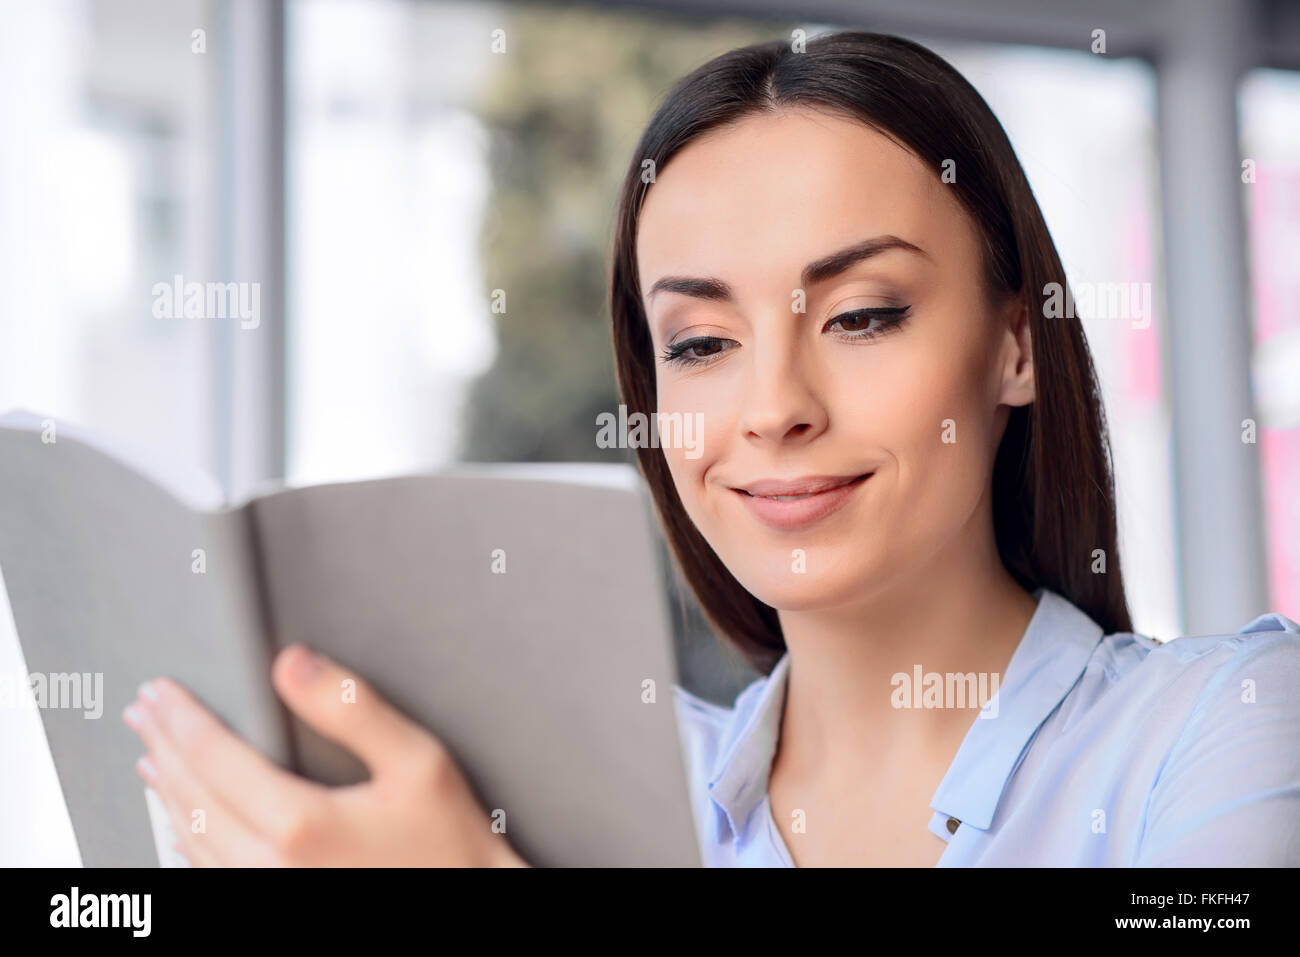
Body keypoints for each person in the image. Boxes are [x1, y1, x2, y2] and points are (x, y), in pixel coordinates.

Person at [122, 30, 1300, 867]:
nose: (770, 407)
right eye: (698, 344)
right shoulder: (585, 799)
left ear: (1012, 347)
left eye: (860, 316)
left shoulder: (1222, 732)